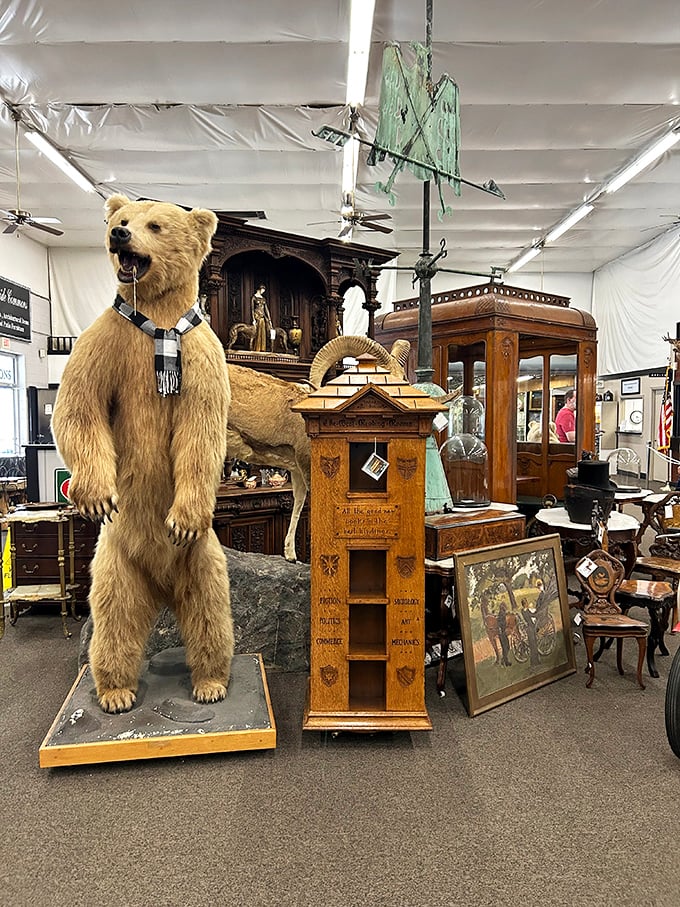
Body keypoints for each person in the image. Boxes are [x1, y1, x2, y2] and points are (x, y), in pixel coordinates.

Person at [251, 284, 273, 352]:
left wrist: (269, 320)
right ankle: (256, 348)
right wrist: (253, 319)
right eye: (263, 290)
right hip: (257, 316)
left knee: (263, 332)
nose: (263, 291)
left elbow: (266, 310)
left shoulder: (263, 299)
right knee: (256, 333)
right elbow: (252, 309)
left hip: (263, 317)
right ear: (259, 289)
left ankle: (262, 348)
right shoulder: (254, 298)